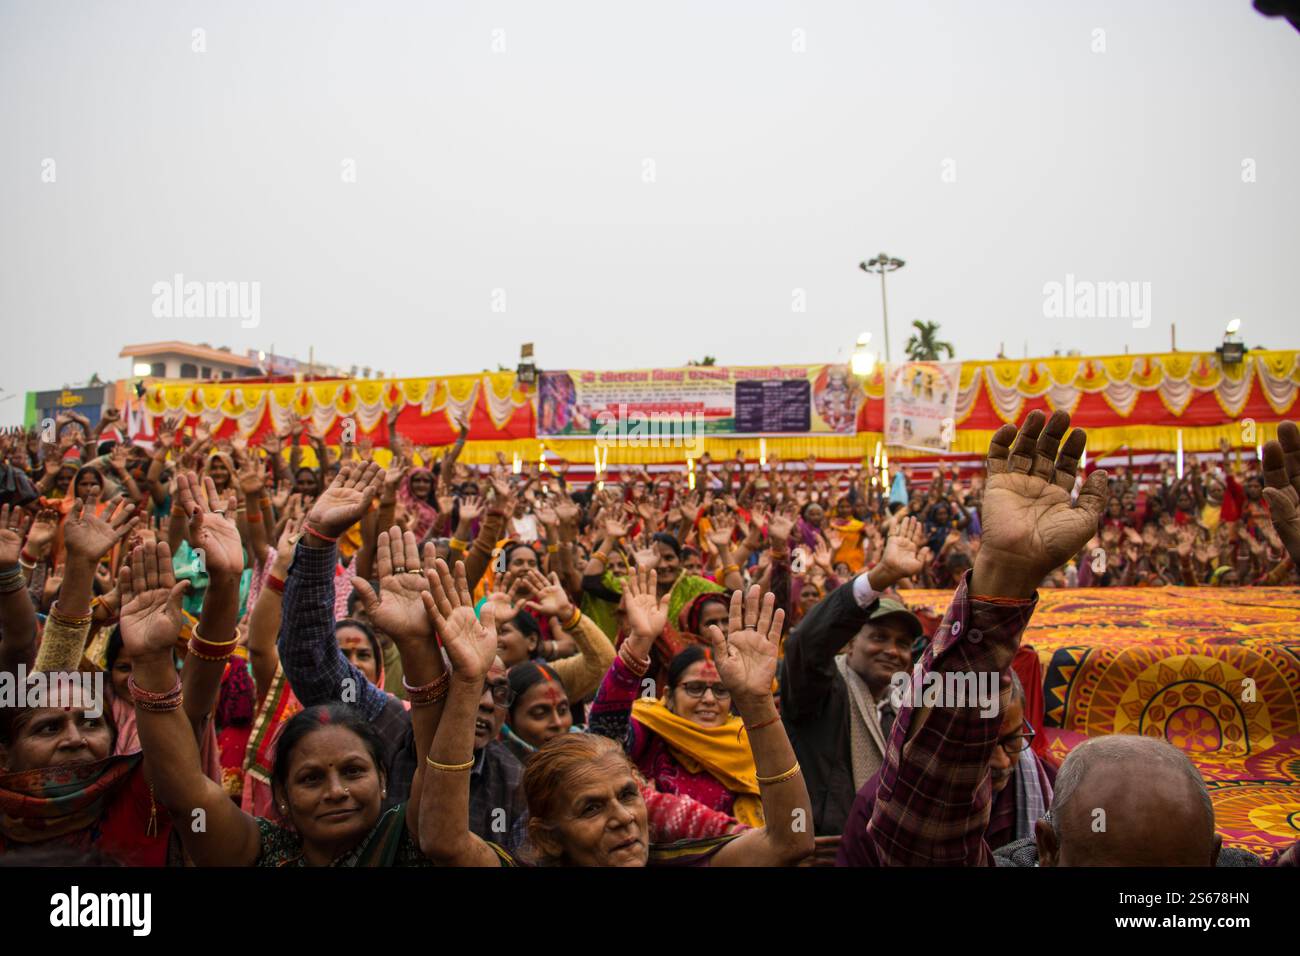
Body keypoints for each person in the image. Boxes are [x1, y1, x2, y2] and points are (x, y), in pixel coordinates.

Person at [417, 556, 814, 867]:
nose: (624, 817)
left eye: (628, 795)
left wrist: (758, 703)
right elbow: (443, 841)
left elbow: (791, 841)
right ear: (549, 837)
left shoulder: (674, 860)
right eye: (591, 807)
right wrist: (468, 684)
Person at [778, 515, 929, 835]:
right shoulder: (819, 691)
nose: (892, 651)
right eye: (879, 637)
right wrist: (881, 575)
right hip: (823, 848)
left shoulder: (906, 707)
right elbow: (806, 645)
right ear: (849, 642)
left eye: (903, 644)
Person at [588, 567, 764, 825]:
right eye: (694, 688)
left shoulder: (746, 738)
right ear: (668, 696)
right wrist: (639, 641)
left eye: (720, 690)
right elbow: (604, 737)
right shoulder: (653, 731)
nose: (709, 699)